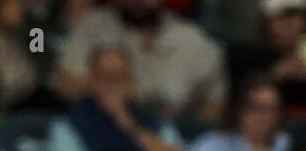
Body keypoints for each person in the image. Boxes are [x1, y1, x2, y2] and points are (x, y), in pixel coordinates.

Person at [55, 0, 227, 123]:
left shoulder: (195, 41)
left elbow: (213, 109)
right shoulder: (90, 27)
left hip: (173, 137)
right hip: (103, 128)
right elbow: (68, 87)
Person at [49, 46, 185, 151]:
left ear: (131, 81)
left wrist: (128, 124)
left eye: (119, 77)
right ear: (91, 80)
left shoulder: (152, 120)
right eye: (104, 76)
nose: (112, 84)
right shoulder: (67, 124)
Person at [229, 0, 306, 120]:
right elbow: (237, 100)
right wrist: (274, 75)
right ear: (265, 22)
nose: (288, 25)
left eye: (294, 17)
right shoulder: (246, 55)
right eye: (281, 18)